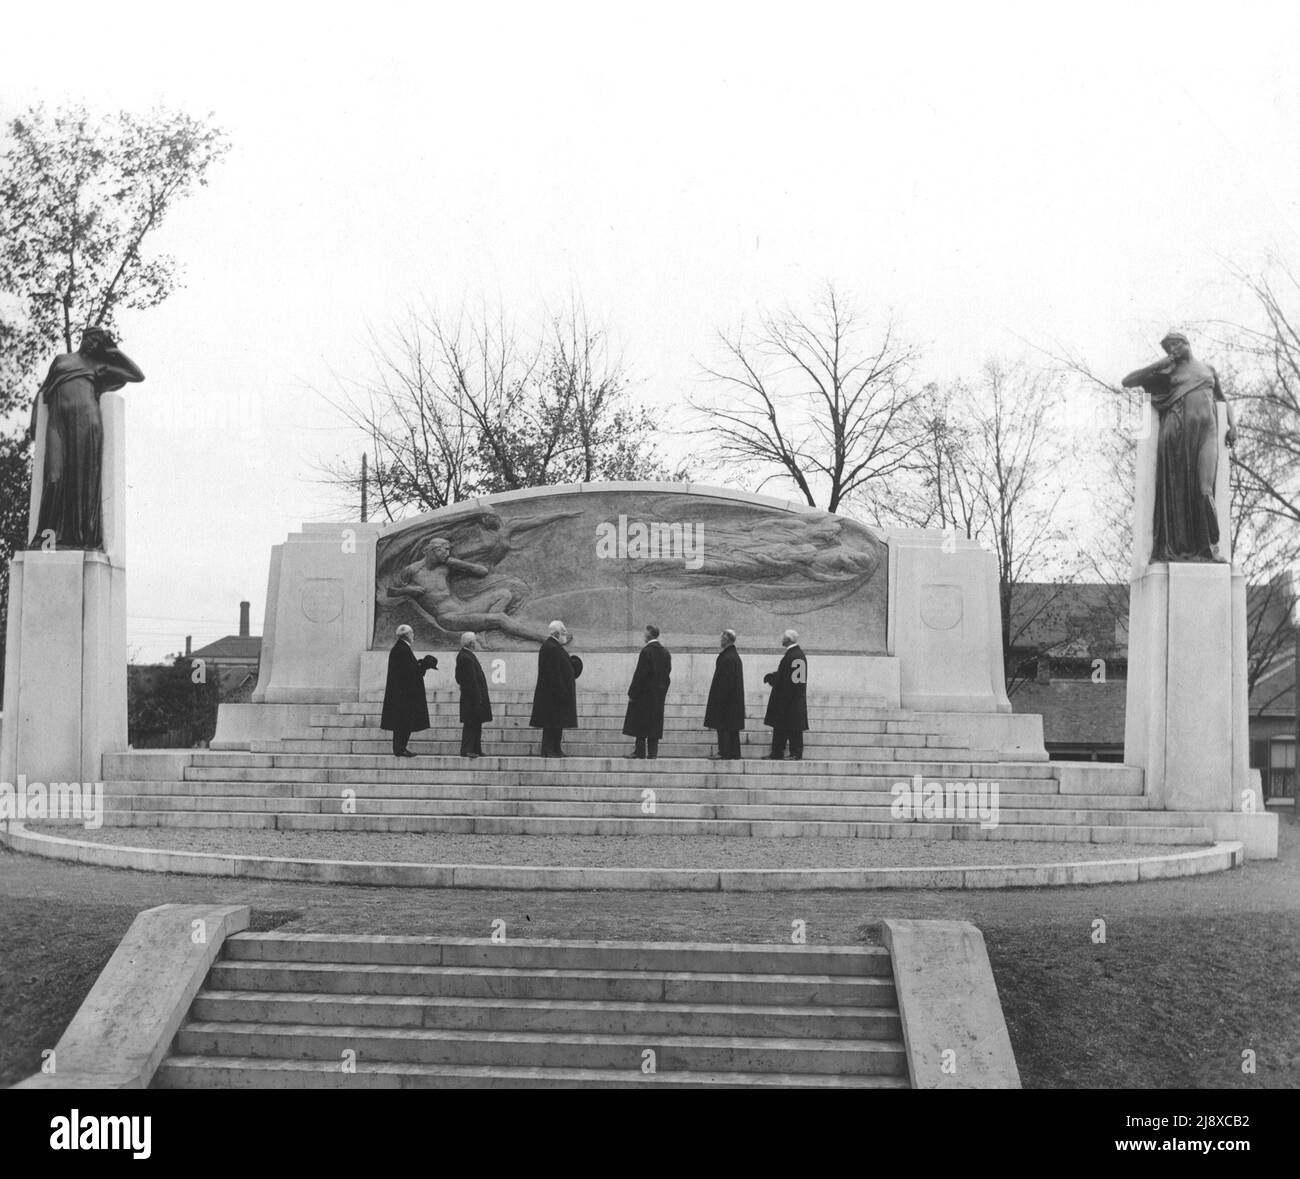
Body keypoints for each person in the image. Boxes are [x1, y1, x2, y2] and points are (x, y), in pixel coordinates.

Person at [1122, 331, 1237, 562]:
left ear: (1186, 343)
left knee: (1206, 489)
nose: (1171, 350)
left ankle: (1210, 547)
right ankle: (1197, 548)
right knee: (1180, 489)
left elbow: (1222, 400)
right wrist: (1159, 364)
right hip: (1177, 432)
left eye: (1174, 345)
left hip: (1207, 432)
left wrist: (1233, 425)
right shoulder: (1168, 370)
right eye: (1167, 348)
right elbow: (1128, 381)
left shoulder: (1208, 369)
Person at [29, 327, 145, 551]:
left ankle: (81, 539)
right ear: (83, 338)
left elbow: (137, 375)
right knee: (54, 477)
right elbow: (43, 390)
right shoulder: (61, 360)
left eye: (98, 342)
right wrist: (34, 417)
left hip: (86, 422)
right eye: (90, 339)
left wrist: (113, 351)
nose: (92, 344)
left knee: (84, 481)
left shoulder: (99, 366)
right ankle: (45, 541)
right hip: (57, 422)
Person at [380, 625, 438, 757]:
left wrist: (418, 665)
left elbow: (407, 670)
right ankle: (400, 748)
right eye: (412, 633)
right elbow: (409, 673)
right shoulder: (403, 649)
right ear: (407, 635)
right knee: (403, 723)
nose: (414, 635)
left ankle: (399, 748)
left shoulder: (400, 648)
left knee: (401, 723)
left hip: (401, 694)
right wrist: (422, 667)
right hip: (404, 695)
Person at [529, 620, 577, 757]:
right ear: (556, 633)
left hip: (555, 694)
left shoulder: (554, 646)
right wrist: (562, 691)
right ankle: (548, 749)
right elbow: (553, 673)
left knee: (557, 723)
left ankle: (556, 748)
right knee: (551, 723)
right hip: (552, 695)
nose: (565, 634)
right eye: (563, 632)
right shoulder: (550, 647)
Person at [622, 624, 672, 758]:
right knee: (654, 723)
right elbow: (667, 677)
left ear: (649, 634)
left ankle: (640, 751)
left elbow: (640, 675)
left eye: (645, 633)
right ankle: (653, 753)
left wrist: (633, 693)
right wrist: (662, 692)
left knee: (641, 723)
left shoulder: (646, 651)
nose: (643, 635)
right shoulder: (665, 653)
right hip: (658, 696)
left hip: (644, 695)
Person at [762, 629, 809, 760]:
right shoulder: (795, 655)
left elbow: (795, 681)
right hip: (789, 699)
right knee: (781, 726)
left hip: (790, 700)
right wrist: (773, 677)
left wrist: (783, 694)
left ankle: (795, 753)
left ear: (788, 640)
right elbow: (789, 677)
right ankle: (778, 752)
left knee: (793, 727)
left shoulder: (794, 656)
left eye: (783, 637)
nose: (781, 639)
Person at [704, 629, 745, 760]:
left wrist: (718, 699)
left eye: (722, 637)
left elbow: (724, 682)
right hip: (733, 700)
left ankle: (724, 752)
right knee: (732, 727)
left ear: (726, 639)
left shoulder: (727, 657)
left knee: (723, 726)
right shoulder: (734, 656)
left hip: (725, 700)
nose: (720, 639)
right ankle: (734, 752)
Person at [454, 631, 492, 758]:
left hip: (472, 698)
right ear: (471, 643)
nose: (476, 643)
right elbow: (471, 681)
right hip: (472, 699)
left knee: (476, 723)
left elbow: (459, 677)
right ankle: (467, 749)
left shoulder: (465, 655)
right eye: (475, 641)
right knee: (471, 724)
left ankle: (476, 748)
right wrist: (478, 699)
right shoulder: (466, 657)